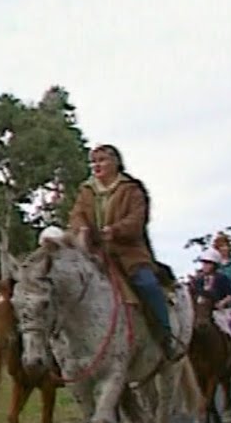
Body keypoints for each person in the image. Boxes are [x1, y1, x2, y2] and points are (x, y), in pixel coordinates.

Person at [68, 144, 183, 362]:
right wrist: (81, 229)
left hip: (129, 253)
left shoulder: (132, 189)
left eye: (101, 160)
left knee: (147, 284)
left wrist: (115, 230)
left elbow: (137, 220)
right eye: (93, 161)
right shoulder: (87, 190)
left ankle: (165, 335)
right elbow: (77, 214)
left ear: (116, 162)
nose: (96, 165)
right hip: (94, 253)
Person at [192, 250, 231, 353]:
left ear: (214, 265)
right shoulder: (198, 280)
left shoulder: (222, 278)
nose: (205, 266)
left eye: (208, 263)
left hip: (220, 310)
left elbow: (230, 295)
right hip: (203, 312)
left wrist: (222, 303)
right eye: (204, 263)